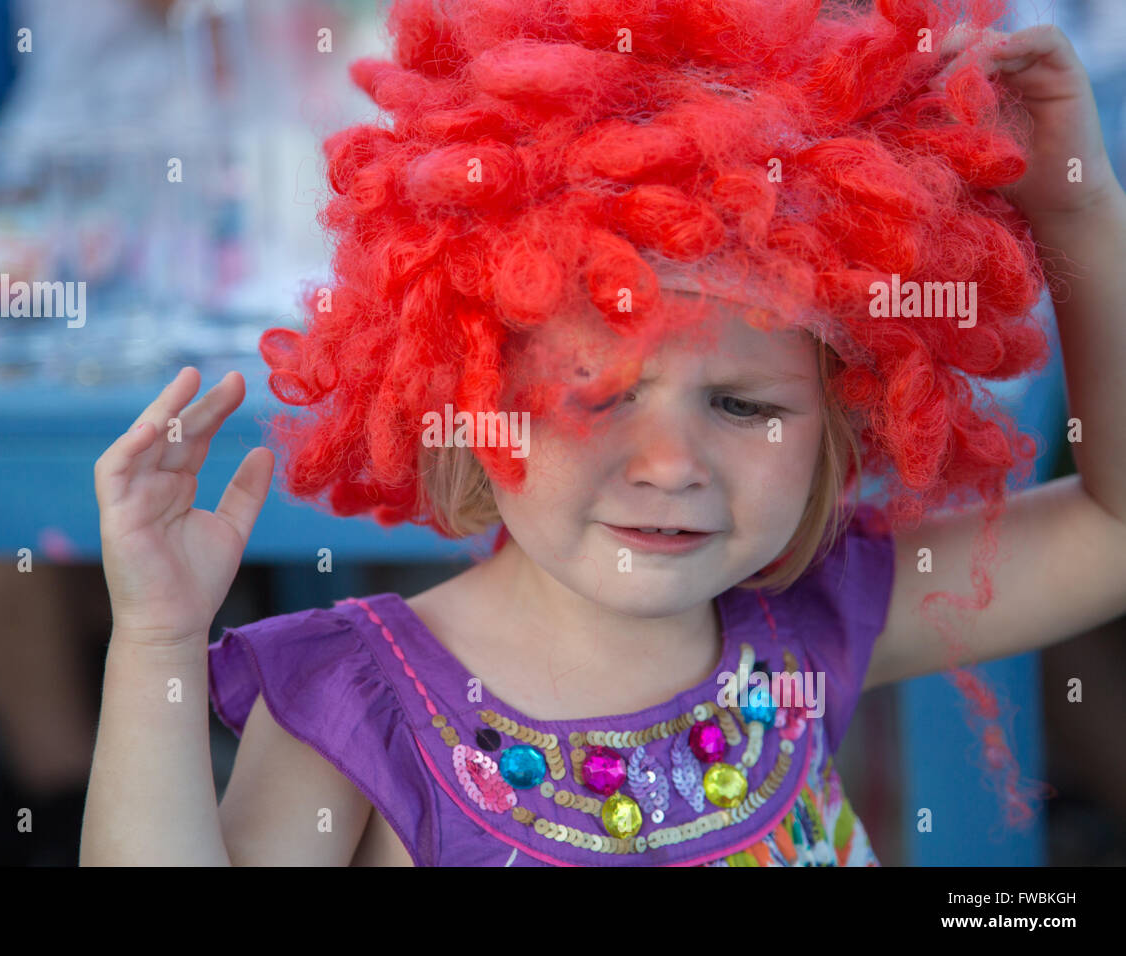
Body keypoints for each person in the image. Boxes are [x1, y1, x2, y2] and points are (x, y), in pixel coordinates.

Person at [79, 0, 1126, 866]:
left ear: (845, 419)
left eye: (743, 405)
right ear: (468, 386)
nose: (669, 464)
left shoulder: (806, 617)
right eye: (596, 395)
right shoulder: (354, 704)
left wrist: (1076, 209)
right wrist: (158, 641)